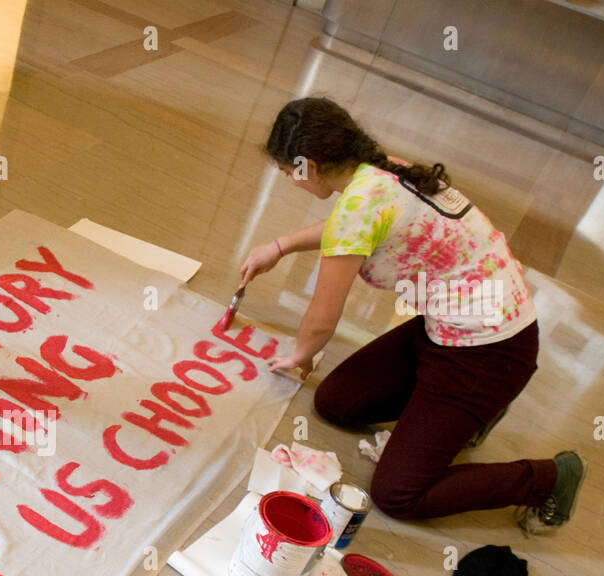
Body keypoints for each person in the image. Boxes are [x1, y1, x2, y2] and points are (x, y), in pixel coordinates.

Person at [239, 97, 584, 534]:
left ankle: (550, 478)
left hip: (490, 354)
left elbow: (324, 314)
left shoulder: (361, 202)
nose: (289, 180)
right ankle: (461, 420)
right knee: (336, 403)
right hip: (446, 329)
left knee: (399, 495)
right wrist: (281, 245)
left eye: (289, 171)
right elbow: (354, 230)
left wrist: (301, 355)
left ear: (308, 166)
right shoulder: (381, 172)